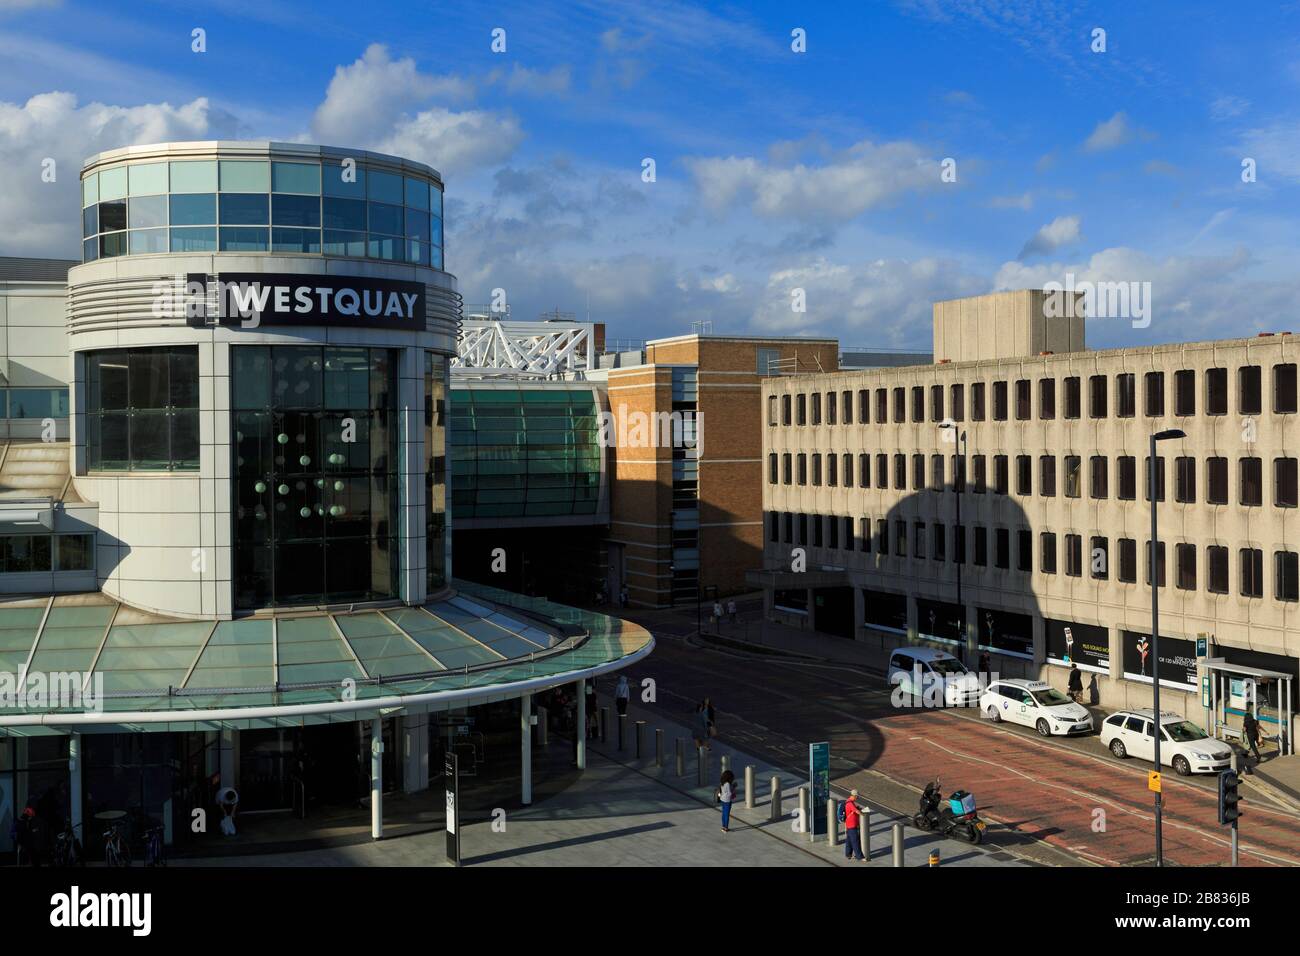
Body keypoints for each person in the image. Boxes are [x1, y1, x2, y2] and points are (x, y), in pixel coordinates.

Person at [843, 789, 865, 861]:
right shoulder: (850, 803)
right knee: (855, 841)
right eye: (857, 796)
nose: (857, 798)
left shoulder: (849, 801)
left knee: (849, 840)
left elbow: (853, 810)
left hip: (849, 825)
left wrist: (858, 809)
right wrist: (863, 814)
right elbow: (856, 811)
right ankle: (860, 857)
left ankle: (848, 854)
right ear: (854, 796)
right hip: (852, 825)